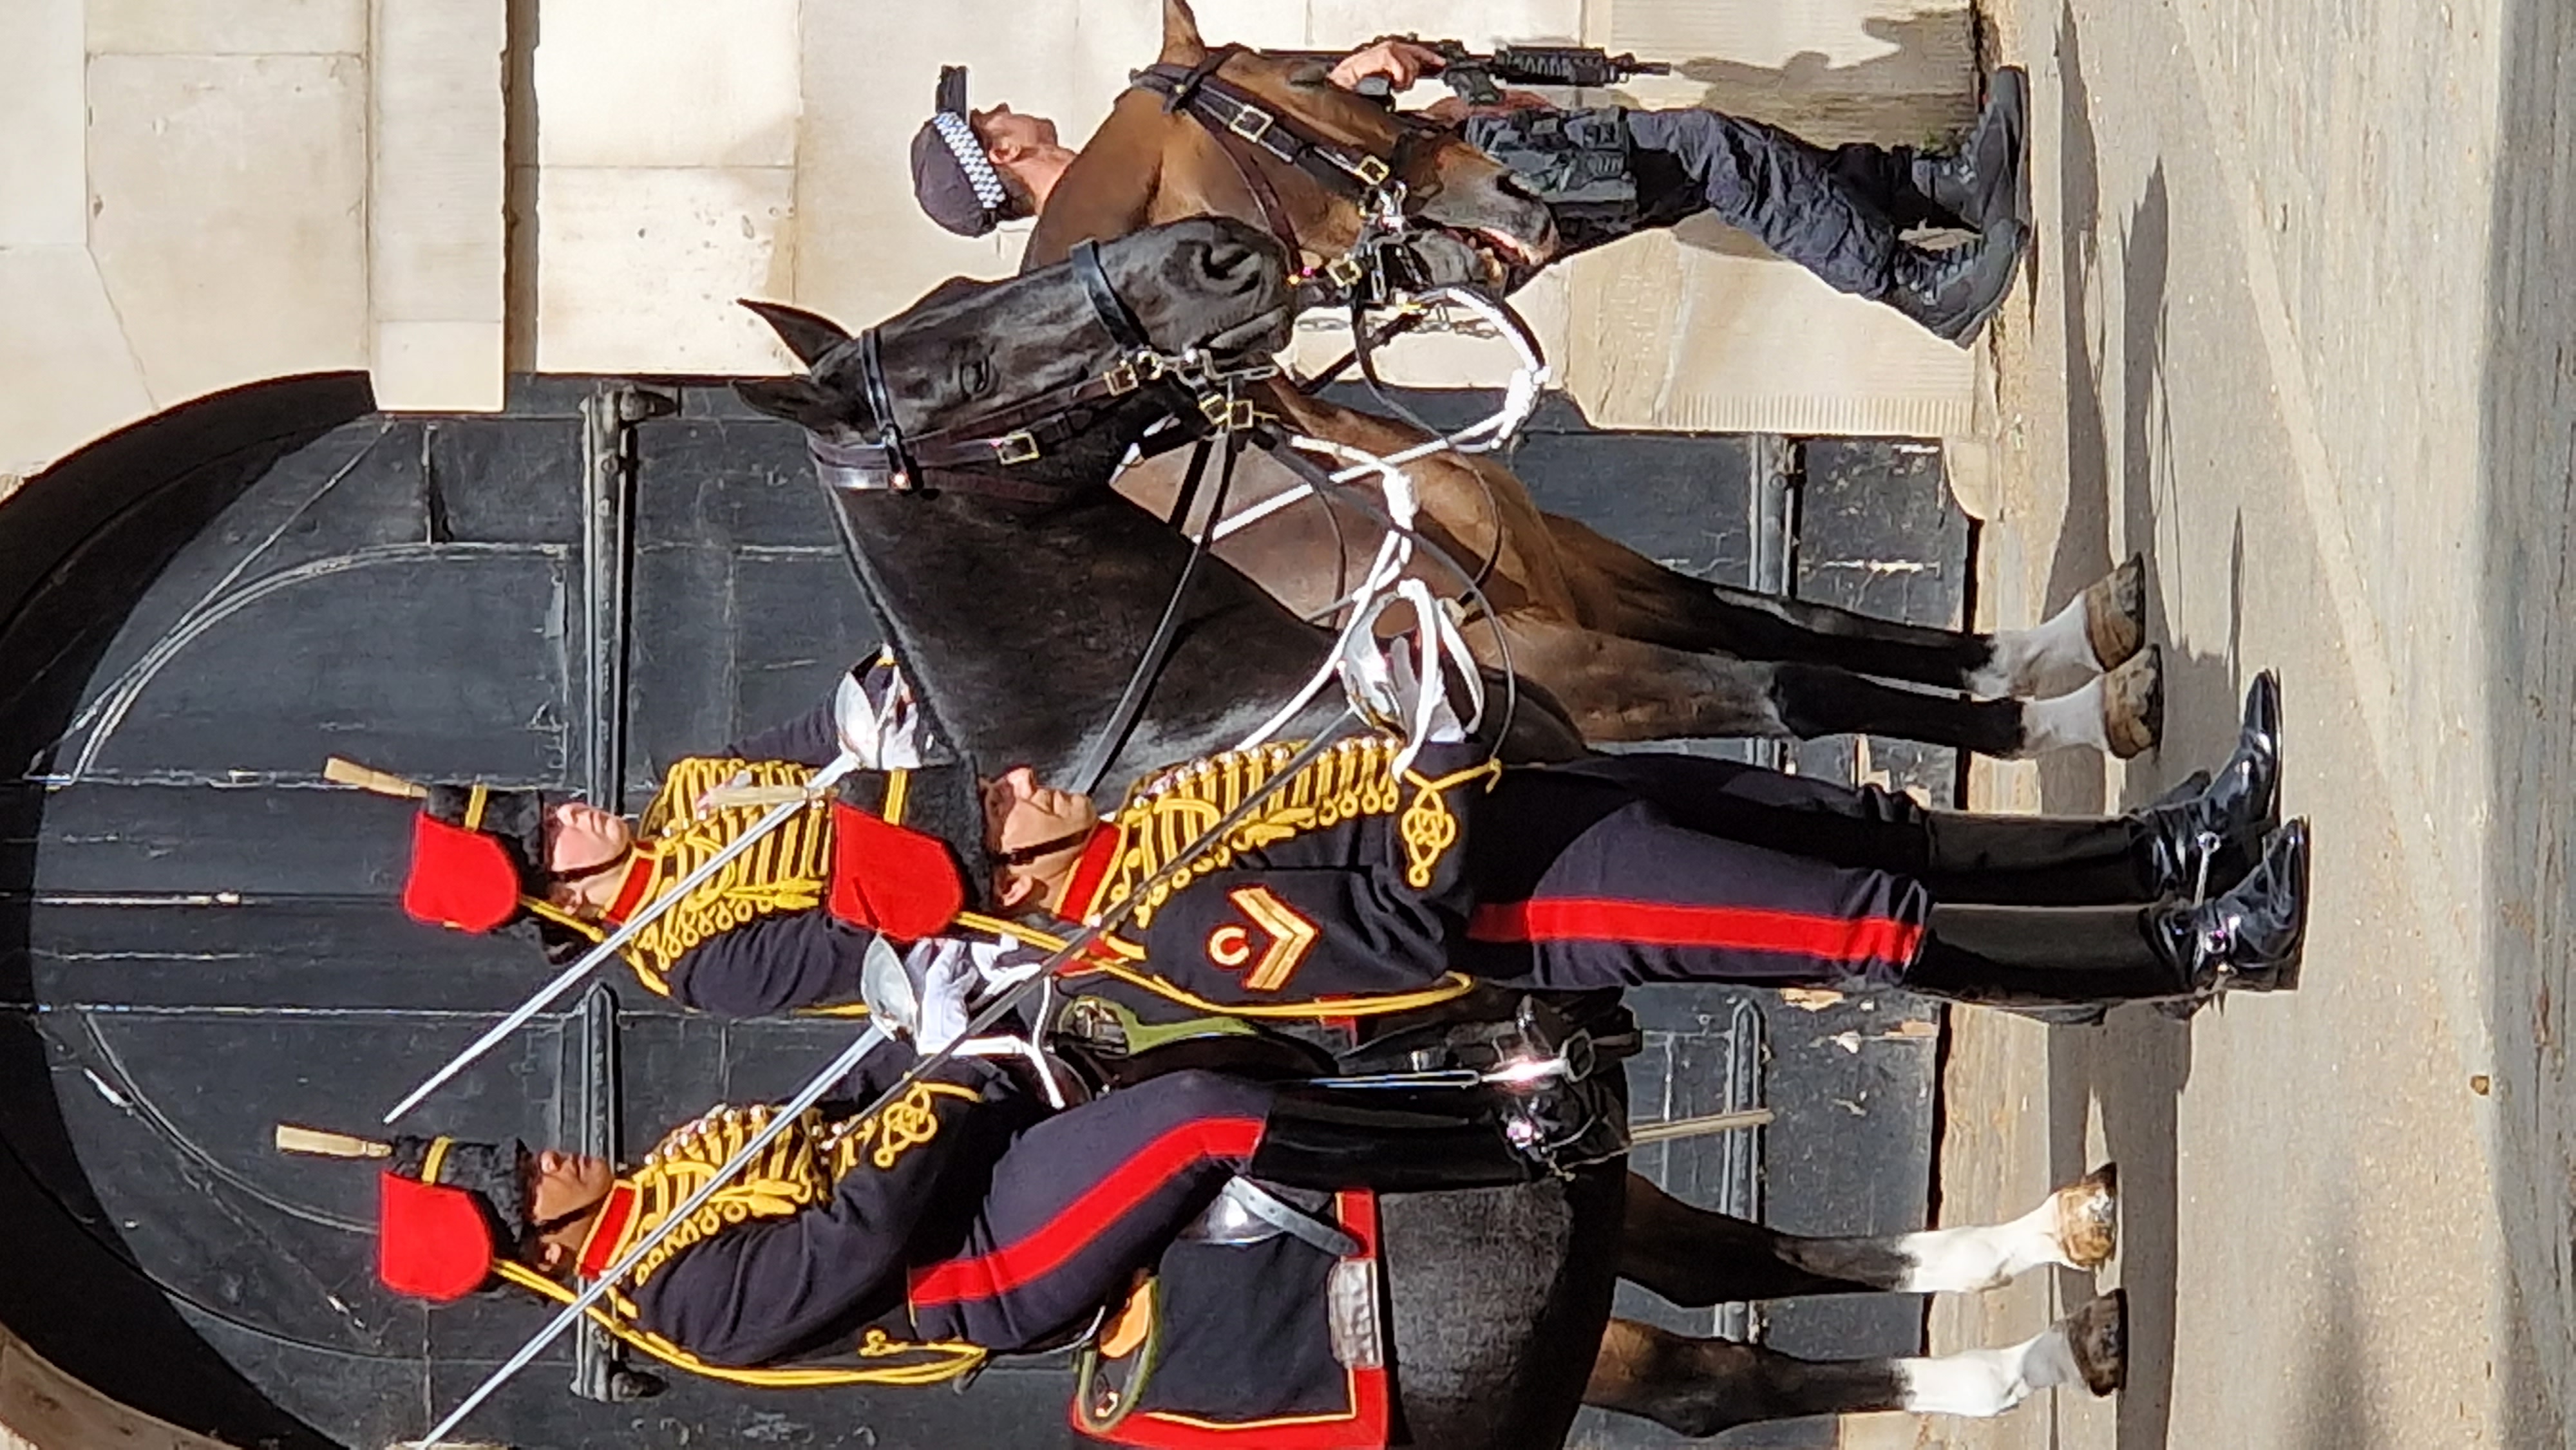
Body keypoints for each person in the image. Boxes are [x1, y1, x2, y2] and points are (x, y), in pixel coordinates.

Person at [812, 663, 2306, 1018]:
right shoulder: (1164, 928)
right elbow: (1397, 928)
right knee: (1868, 918)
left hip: (1536, 807)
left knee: (1870, 826)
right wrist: (1444, 763)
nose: (1012, 778)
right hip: (1549, 896)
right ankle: (2194, 948)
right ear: (998, 876)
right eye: (989, 807)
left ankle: (2162, 849)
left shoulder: (1144, 826)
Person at [350, 1042, 1551, 1439]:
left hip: (968, 1186)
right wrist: (959, 1085)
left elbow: (831, 1117)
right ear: (539, 1254)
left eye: (522, 1157)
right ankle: (1505, 1136)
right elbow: (859, 1232)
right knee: (1196, 1122)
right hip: (979, 1265)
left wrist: (915, 1032)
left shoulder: (669, 1174)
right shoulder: (676, 1299)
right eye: (523, 1190)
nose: (544, 1160)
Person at [909, 43, 2029, 343]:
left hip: (1447, 155)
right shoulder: (1133, 224)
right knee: (1709, 155)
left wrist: (1354, 79)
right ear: (999, 161)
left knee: (1701, 170)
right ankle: (1918, 284)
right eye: (989, 120)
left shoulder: (1143, 142)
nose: (1006, 109)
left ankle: (1939, 186)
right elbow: (1285, 252)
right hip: (1448, 216)